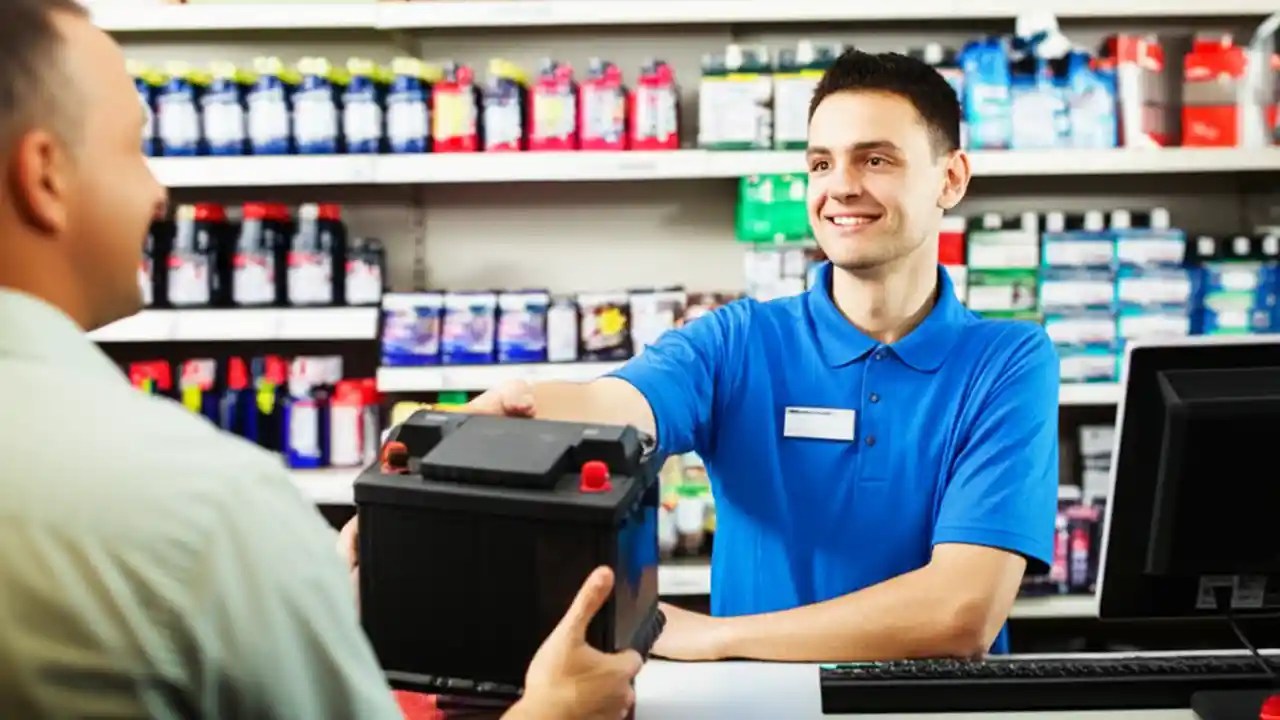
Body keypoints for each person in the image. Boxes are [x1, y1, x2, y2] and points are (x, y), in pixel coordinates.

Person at [0, 2, 641, 718]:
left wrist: (309, 595)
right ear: (45, 175)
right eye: (130, 149)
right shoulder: (205, 509)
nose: (158, 192)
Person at [345, 49, 1058, 663]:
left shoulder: (1006, 361)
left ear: (951, 179)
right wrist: (469, 436)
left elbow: (959, 614)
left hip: (934, 707)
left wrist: (716, 637)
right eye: (820, 162)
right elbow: (614, 407)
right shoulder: (739, 341)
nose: (840, 186)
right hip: (758, 704)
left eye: (876, 159)